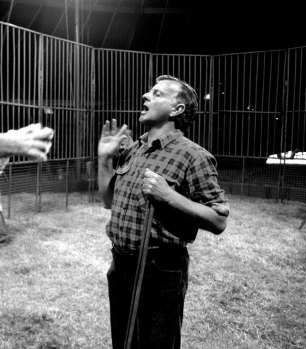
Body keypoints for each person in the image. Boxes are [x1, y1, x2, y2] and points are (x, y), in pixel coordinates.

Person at [97, 75, 229, 349]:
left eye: (157, 94)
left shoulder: (193, 156)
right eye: (149, 92)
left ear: (177, 109)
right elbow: (109, 201)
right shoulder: (134, 150)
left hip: (161, 268)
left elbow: (218, 220)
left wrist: (168, 196)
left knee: (157, 343)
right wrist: (104, 159)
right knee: (123, 342)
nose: (146, 96)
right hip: (121, 263)